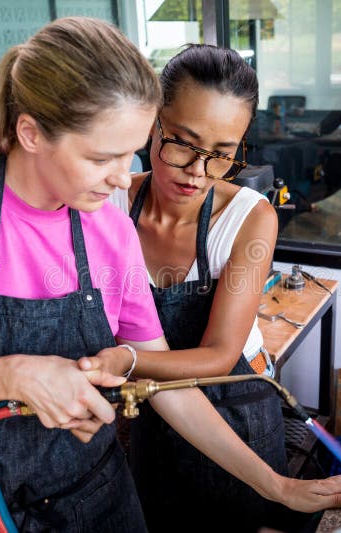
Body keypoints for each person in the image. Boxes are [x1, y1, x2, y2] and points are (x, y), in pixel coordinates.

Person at [0, 17, 341, 533]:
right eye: (104, 157)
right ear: (30, 132)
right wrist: (15, 373)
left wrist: (275, 485)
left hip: (93, 494)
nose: (124, 177)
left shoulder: (105, 220)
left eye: (130, 153)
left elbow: (167, 382)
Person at [95, 44, 301, 532]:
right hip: (151, 410)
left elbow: (216, 354)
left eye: (222, 155)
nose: (198, 171)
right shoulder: (109, 202)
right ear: (152, 124)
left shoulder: (250, 217)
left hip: (236, 411)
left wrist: (120, 360)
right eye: (183, 143)